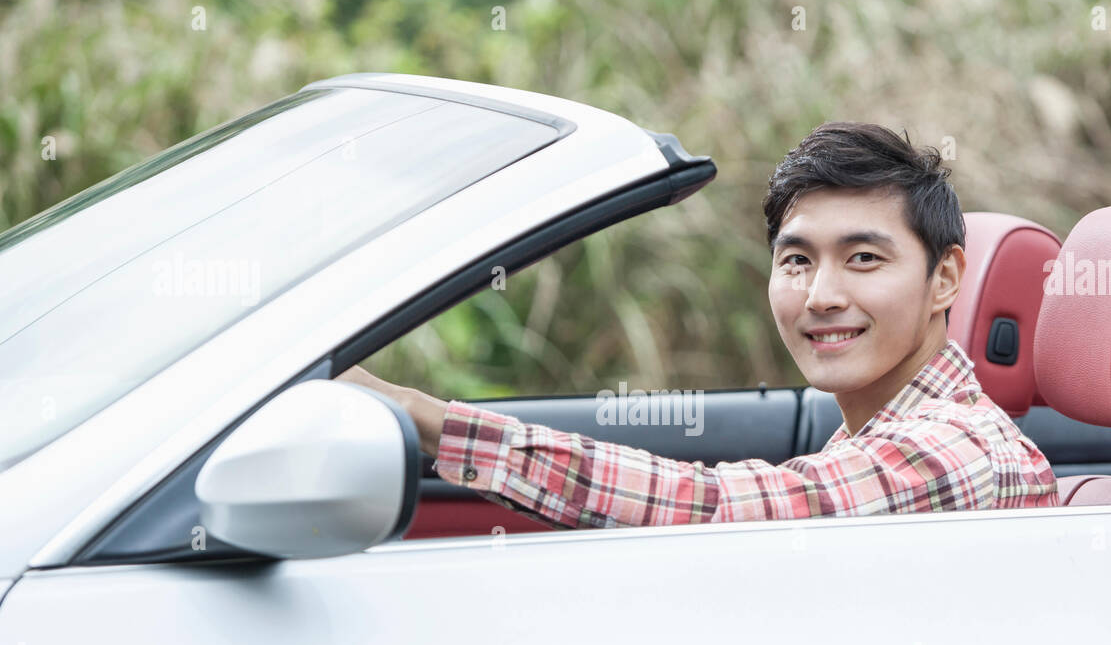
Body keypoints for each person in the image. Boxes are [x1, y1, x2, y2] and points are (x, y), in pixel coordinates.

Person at [338, 122, 1059, 529]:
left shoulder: (951, 451)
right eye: (797, 260)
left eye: (864, 258)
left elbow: (713, 508)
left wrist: (419, 415)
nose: (822, 296)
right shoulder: (880, 435)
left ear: (945, 279)